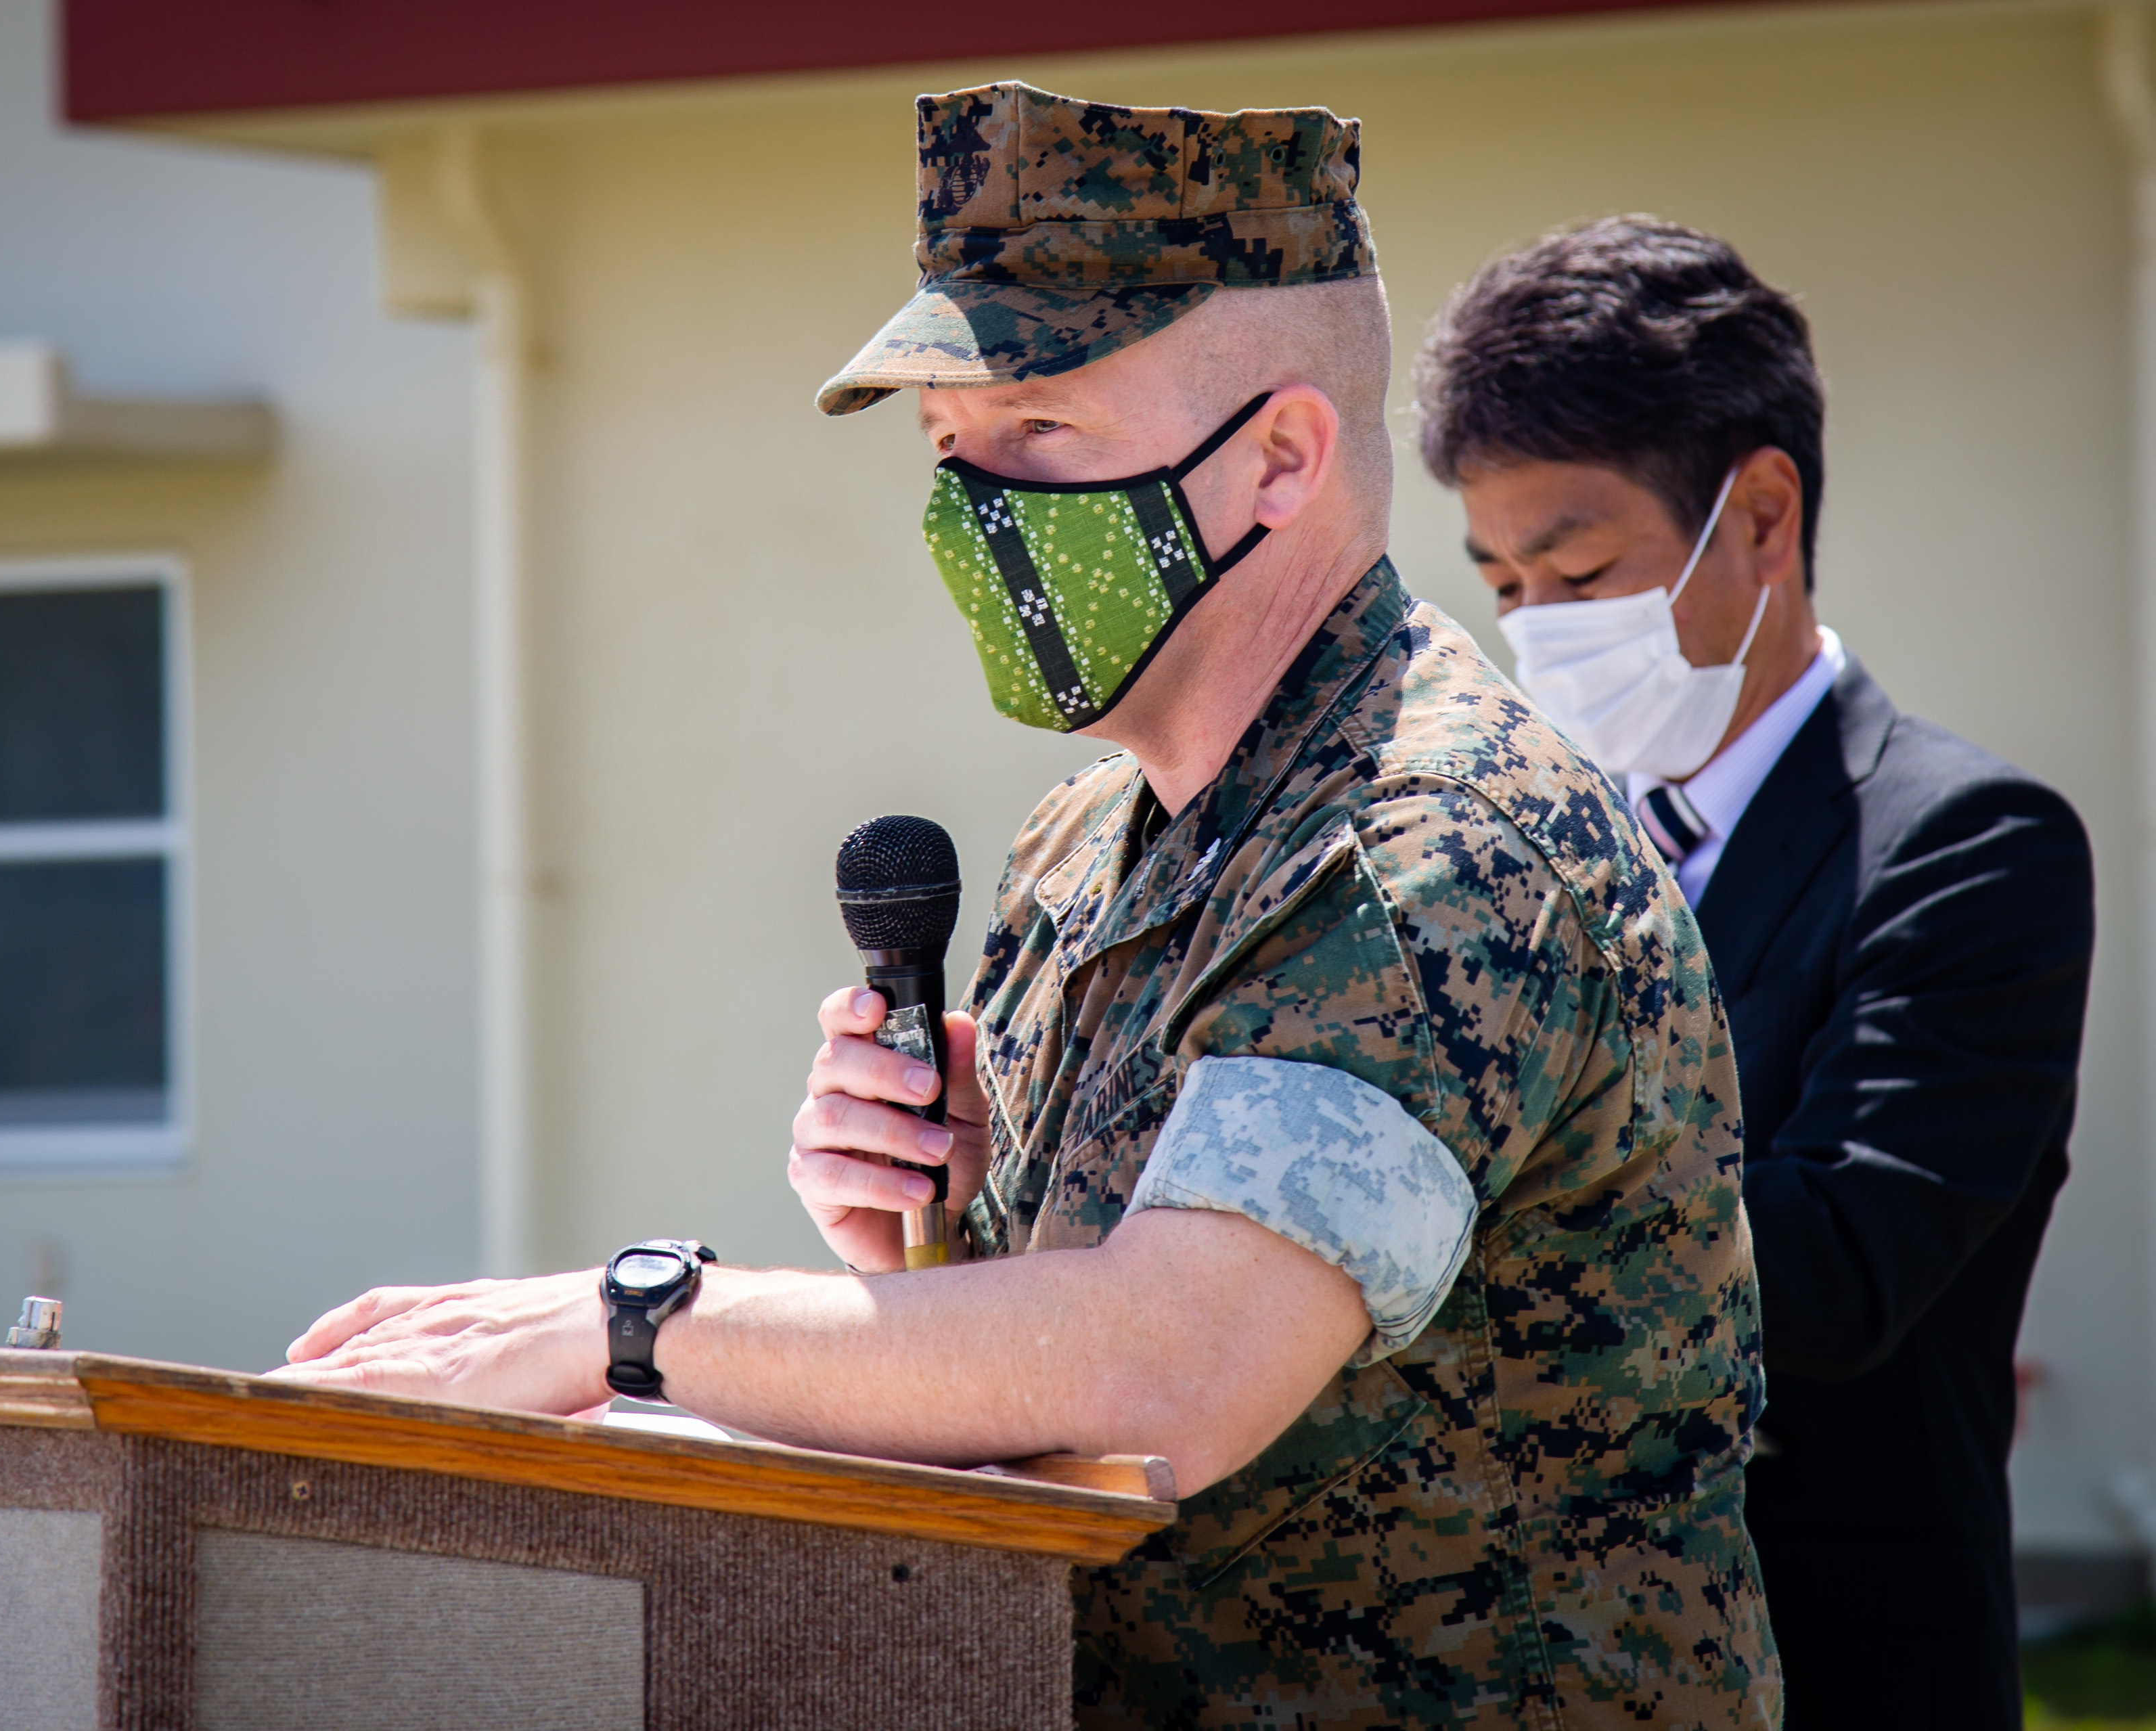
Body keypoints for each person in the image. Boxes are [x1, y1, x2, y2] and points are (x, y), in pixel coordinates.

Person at [279, 88, 1778, 1726]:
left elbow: (1167, 1370)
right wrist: (918, 1249)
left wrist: (630, 1321)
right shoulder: (1086, 841)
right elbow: (1053, 1422)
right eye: (947, 445)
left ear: (1280, 458)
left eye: (1041, 431)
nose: (973, 506)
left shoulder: (1427, 840)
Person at [1413, 217, 2095, 1730]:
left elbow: (1836, 1267)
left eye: (1579, 568)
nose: (1536, 633)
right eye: (1504, 584)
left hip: (1828, 1668)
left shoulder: (1966, 843)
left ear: (1763, 516)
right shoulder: (1508, 848)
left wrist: (1390, 1219)